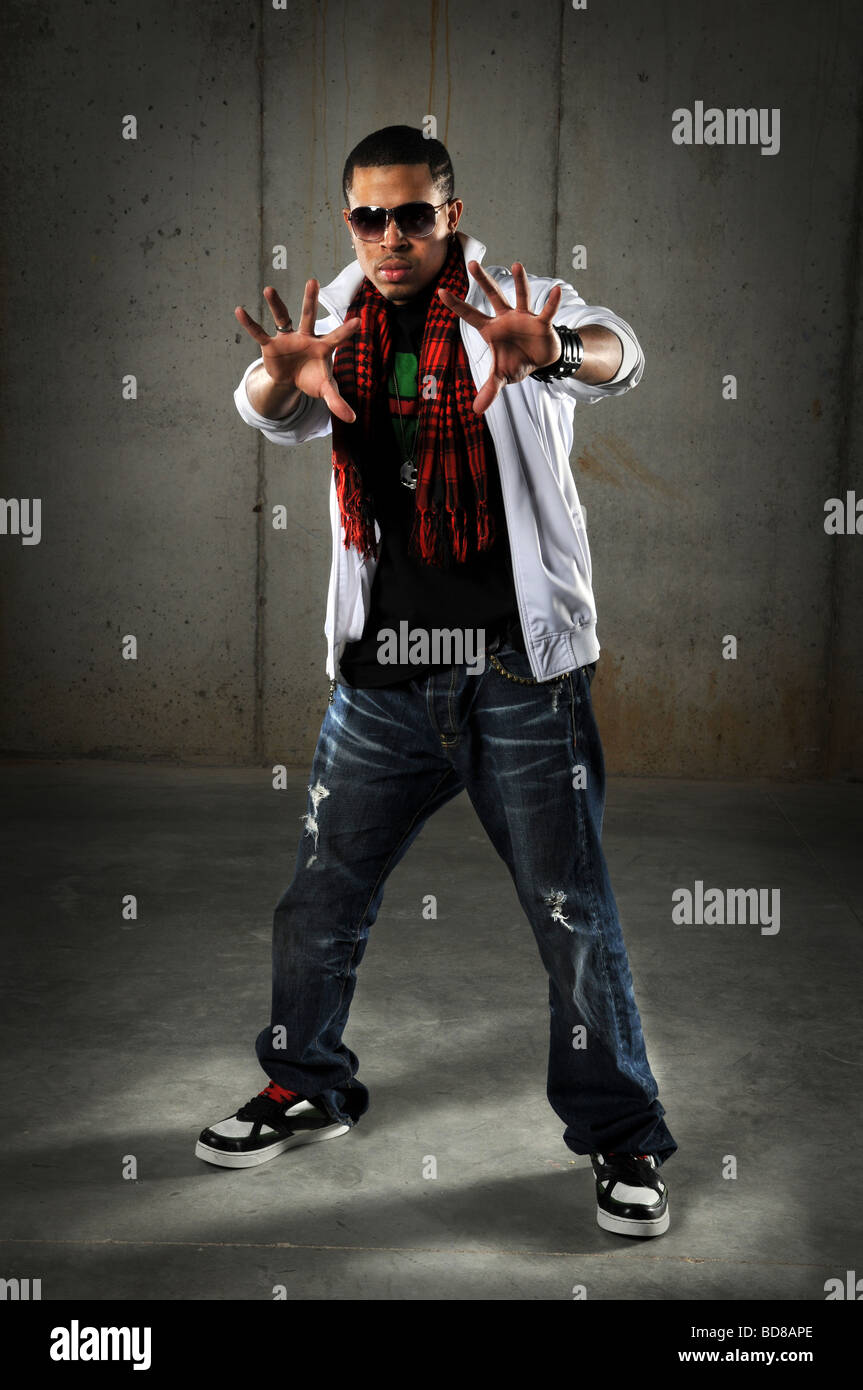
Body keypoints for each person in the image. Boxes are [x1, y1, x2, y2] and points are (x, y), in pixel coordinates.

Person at [196, 125, 677, 1238]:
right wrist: (278, 376)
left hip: (515, 676)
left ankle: (622, 1138)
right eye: (369, 217)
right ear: (349, 221)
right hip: (381, 683)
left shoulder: (516, 302)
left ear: (448, 214)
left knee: (571, 913)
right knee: (319, 898)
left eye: (413, 214)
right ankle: (306, 1081)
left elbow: (620, 354)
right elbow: (264, 409)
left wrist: (551, 352)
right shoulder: (339, 330)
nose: (391, 237)